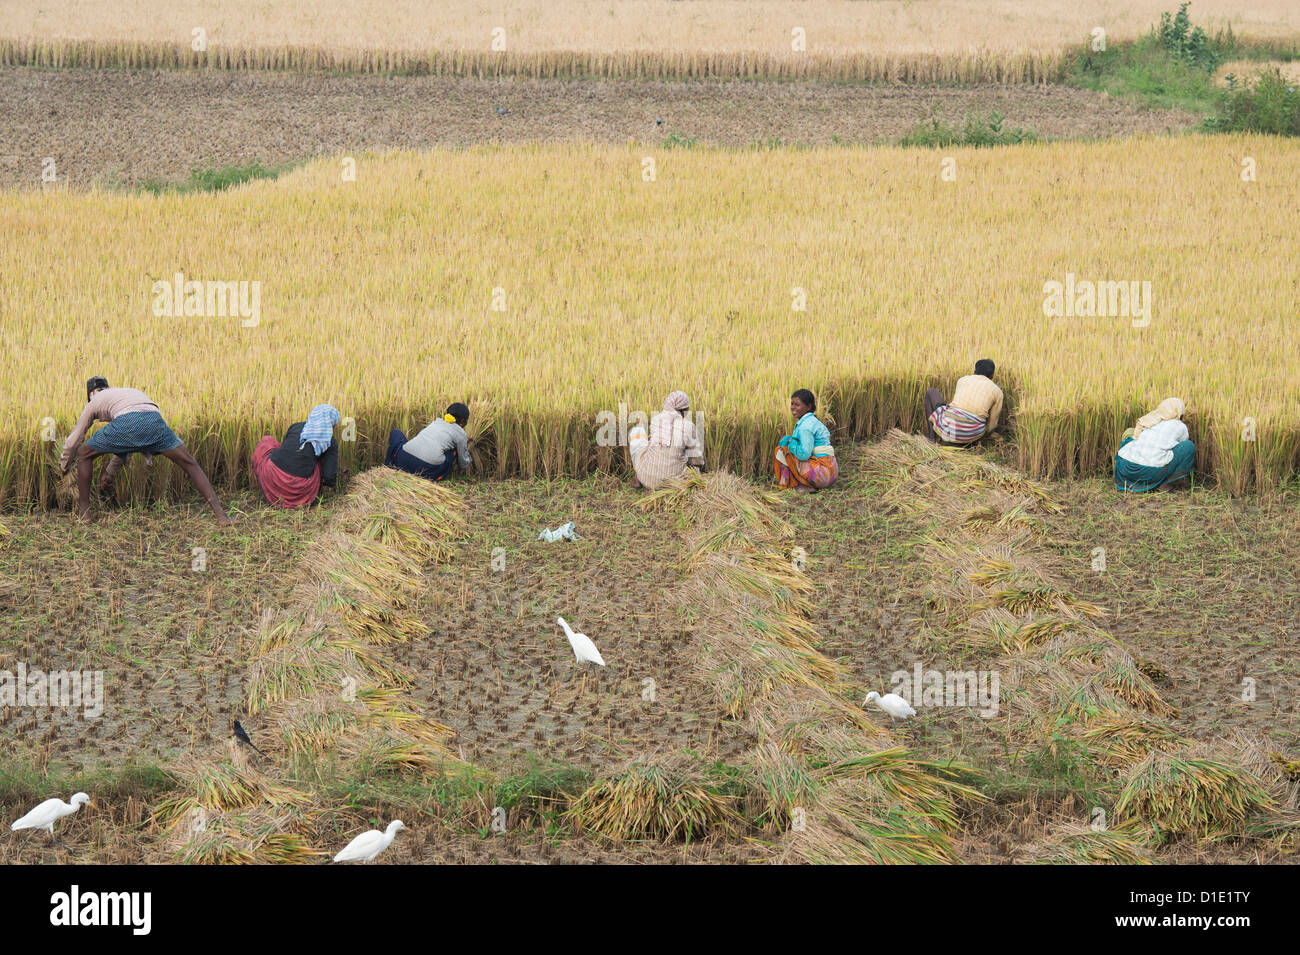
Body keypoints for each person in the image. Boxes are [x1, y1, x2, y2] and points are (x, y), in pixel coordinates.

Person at [60, 377, 232, 524]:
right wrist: (110, 472)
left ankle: (84, 513)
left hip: (127, 421)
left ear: (91, 394)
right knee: (190, 463)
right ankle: (222, 516)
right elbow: (128, 441)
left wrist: (64, 465)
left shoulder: (95, 400)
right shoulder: (125, 393)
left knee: (84, 454)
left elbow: (75, 439)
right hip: (154, 420)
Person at [251, 404, 340, 508]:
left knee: (268, 440)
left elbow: (285, 449)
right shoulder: (330, 442)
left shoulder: (296, 426)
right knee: (318, 461)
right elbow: (329, 476)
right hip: (298, 490)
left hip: (271, 476)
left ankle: (274, 494)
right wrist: (329, 485)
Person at [628, 390, 705, 489]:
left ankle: (637, 477)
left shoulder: (656, 420)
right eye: (687, 409)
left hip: (647, 479)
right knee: (691, 460)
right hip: (674, 483)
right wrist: (700, 467)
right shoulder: (688, 426)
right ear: (683, 410)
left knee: (637, 432)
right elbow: (696, 457)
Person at [1115, 397, 1195, 492]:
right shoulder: (1180, 426)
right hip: (1150, 473)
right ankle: (1164, 484)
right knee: (1188, 446)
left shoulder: (1150, 420)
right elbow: (1181, 445)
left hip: (1124, 468)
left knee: (1130, 437)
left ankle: (1124, 483)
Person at [924, 359, 1004, 445]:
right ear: (992, 375)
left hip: (948, 427)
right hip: (972, 435)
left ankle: (931, 437)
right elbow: (992, 426)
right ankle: (967, 443)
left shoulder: (962, 380)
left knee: (932, 392)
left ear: (974, 371)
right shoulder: (998, 391)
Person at [774, 389, 838, 492]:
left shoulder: (805, 426)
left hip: (821, 474)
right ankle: (804, 484)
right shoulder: (812, 421)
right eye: (792, 404)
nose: (792, 407)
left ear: (808, 407)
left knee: (781, 450)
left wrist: (790, 441)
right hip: (830, 472)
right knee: (788, 449)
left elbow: (804, 455)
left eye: (797, 405)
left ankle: (787, 484)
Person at [386, 403, 472, 481]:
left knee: (396, 433)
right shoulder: (461, 434)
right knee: (453, 451)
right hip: (426, 471)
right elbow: (463, 463)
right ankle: (438, 476)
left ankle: (389, 466)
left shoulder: (436, 422)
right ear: (463, 421)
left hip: (402, 460)